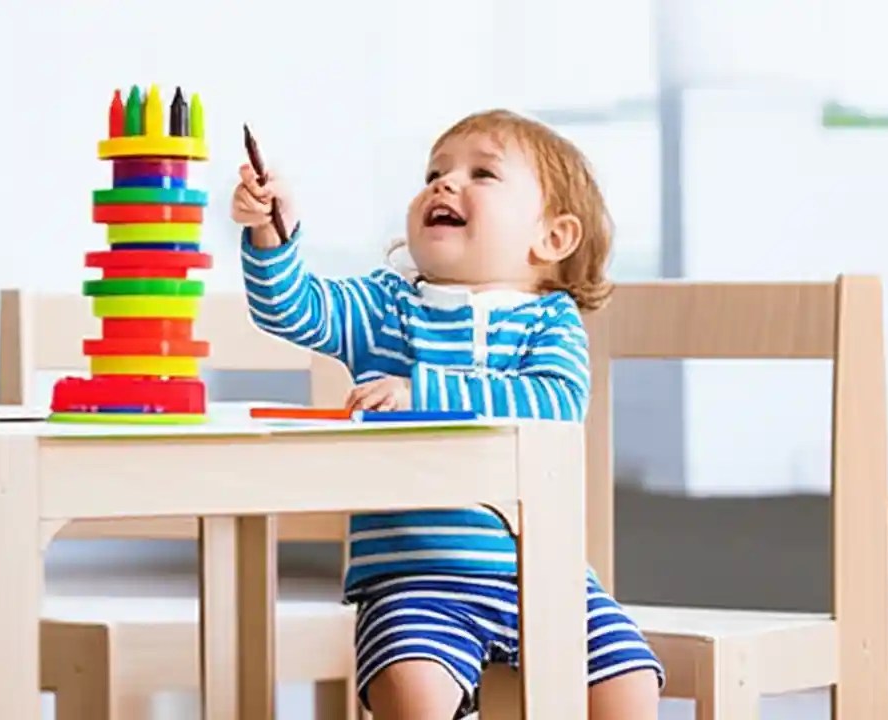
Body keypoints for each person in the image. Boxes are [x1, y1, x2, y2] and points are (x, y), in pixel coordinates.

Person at [230, 109, 664, 719]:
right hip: (414, 585)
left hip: (545, 575)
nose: (444, 183)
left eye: (482, 174)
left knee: (630, 682)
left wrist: (421, 391)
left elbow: (554, 401)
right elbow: (293, 309)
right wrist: (272, 237)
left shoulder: (550, 320)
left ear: (553, 238)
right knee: (411, 689)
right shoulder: (383, 304)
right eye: (435, 171)